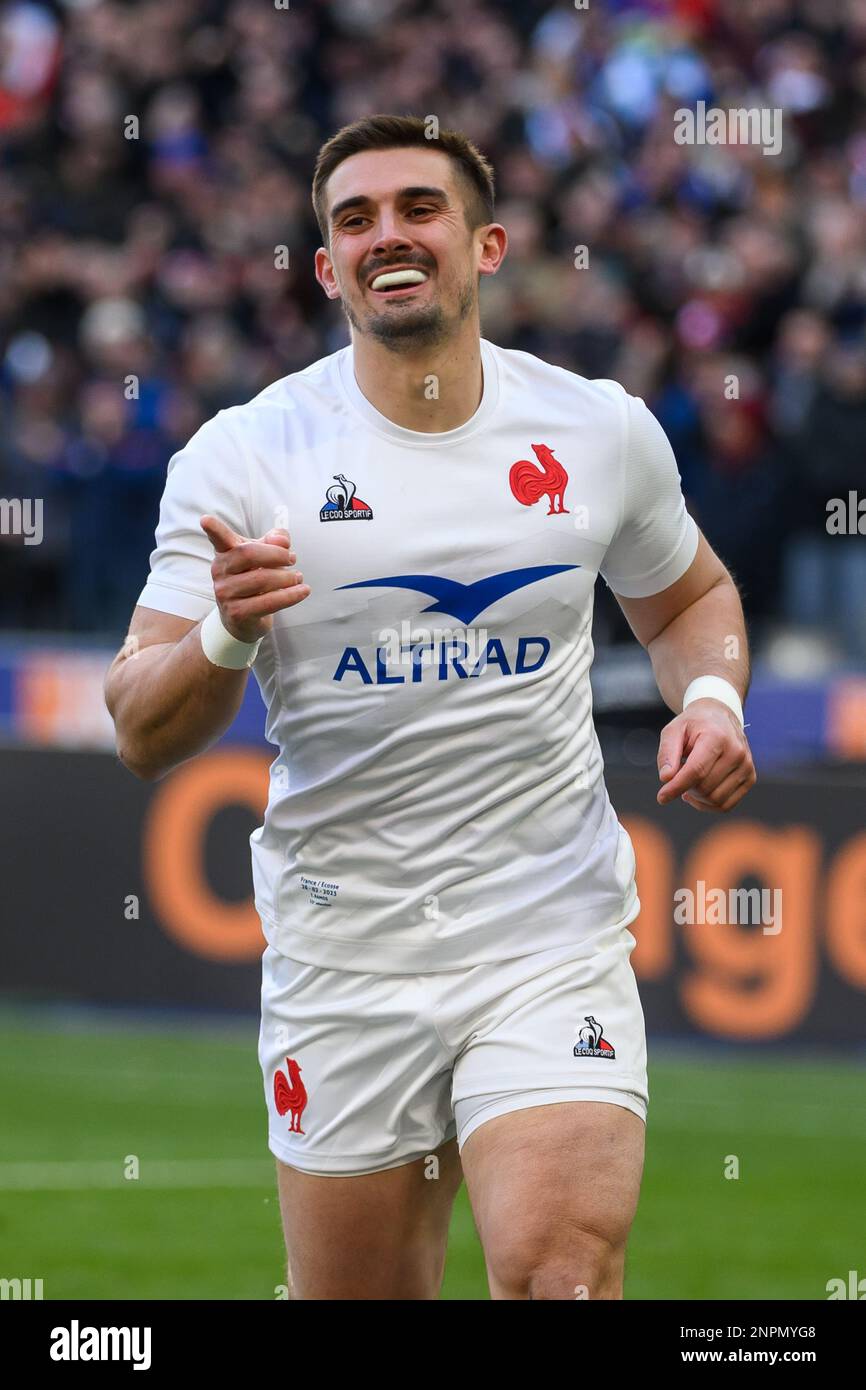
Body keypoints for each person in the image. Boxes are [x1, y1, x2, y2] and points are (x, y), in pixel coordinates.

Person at [104, 114, 756, 1300]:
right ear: (324, 266)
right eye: (353, 219)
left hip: (545, 936)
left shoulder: (595, 428)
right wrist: (224, 629)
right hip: (344, 954)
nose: (385, 235)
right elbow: (140, 727)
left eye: (417, 208)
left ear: (486, 244)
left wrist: (710, 698)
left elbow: (689, 599)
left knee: (558, 1274)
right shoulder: (244, 459)